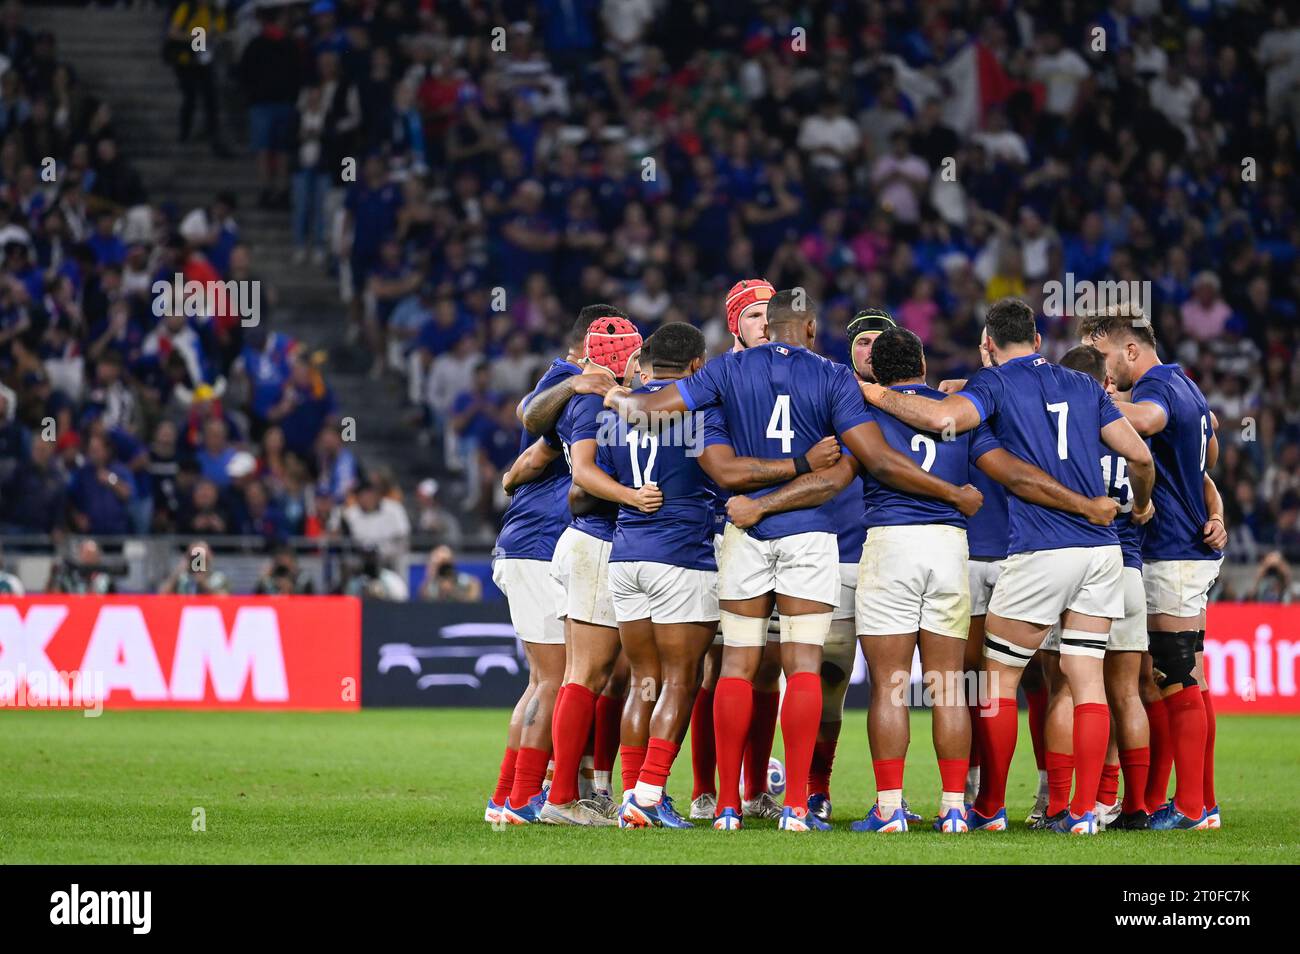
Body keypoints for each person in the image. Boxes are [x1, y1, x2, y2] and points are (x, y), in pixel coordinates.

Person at [604, 289, 984, 831]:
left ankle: (728, 807)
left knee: (736, 665)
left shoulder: (724, 374)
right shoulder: (832, 378)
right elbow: (867, 461)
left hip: (744, 536)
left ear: (770, 325)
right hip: (810, 536)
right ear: (808, 330)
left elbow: (661, 418)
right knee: (803, 667)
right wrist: (806, 464)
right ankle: (799, 808)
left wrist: (612, 397)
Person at [862, 297, 1153, 835]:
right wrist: (1139, 504)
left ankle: (990, 806)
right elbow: (1139, 456)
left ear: (988, 345)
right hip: (1103, 551)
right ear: (1039, 340)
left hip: (1042, 551)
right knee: (1085, 682)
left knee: (995, 682)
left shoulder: (994, 384)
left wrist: (877, 392)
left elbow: (947, 419)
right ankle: (1084, 813)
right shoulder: (1088, 386)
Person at [1080, 308, 1227, 831]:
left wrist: (1088, 400)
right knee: (1190, 680)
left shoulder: (1158, 389)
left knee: (1175, 678)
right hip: (1189, 549)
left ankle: (1189, 808)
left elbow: (1147, 421)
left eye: (1104, 357)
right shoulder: (1189, 385)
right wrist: (1214, 511)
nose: (1105, 370)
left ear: (1132, 350)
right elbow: (1207, 453)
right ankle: (1201, 803)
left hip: (1171, 552)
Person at [599, 323, 722, 827]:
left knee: (643, 681)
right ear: (697, 366)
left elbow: (599, 481)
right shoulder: (698, 407)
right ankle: (649, 795)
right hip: (681, 554)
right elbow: (721, 471)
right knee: (680, 680)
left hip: (626, 554)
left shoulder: (617, 412)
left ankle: (633, 794)